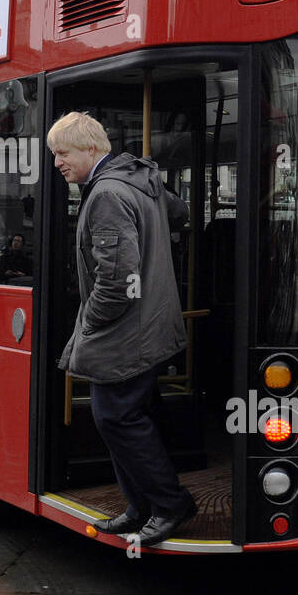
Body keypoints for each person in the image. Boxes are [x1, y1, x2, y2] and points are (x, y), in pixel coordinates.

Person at [48, 111, 195, 547]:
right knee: (130, 415)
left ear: (91, 149)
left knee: (116, 417)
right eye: (55, 153)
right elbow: (180, 213)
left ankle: (169, 504)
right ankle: (140, 507)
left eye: (63, 152)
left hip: (126, 333)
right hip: (149, 326)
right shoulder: (138, 180)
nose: (57, 162)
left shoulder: (107, 194)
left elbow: (116, 281)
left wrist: (89, 324)